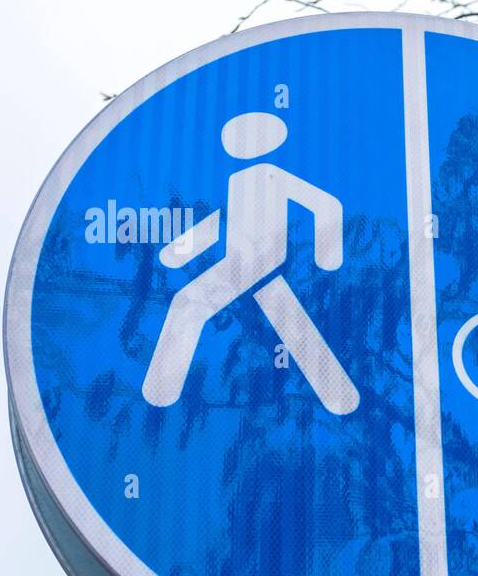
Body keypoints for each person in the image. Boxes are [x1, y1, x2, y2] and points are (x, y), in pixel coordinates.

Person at [141, 112, 359, 415]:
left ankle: (161, 390)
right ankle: (341, 397)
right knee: (294, 325)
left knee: (189, 303)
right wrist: (178, 251)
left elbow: (324, 205)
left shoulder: (272, 174)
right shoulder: (237, 180)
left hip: (259, 264)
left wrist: (328, 254)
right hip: (241, 266)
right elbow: (222, 222)